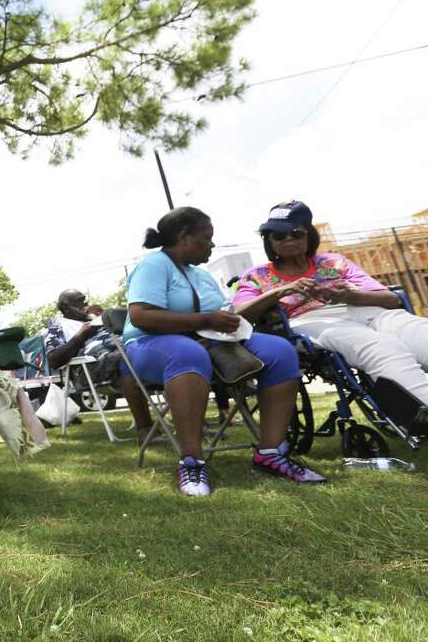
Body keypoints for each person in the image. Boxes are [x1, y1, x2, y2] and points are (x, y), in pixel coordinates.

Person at [120, 206, 326, 496]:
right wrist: (205, 320)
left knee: (280, 350)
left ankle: (269, 453)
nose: (212, 244)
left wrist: (268, 297)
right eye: (207, 238)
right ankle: (192, 461)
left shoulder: (201, 275)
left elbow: (227, 314)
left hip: (209, 340)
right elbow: (141, 316)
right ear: (185, 237)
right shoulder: (154, 265)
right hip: (149, 343)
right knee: (187, 353)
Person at [233, 200, 428, 420]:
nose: (288, 239)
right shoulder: (256, 275)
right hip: (307, 319)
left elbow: (391, 299)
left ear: (309, 236)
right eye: (278, 235)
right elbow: (239, 314)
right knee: (379, 346)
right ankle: (422, 407)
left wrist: (349, 295)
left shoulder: (334, 262)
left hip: (362, 307)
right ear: (269, 240)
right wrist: (282, 291)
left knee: (418, 330)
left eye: (296, 233)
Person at [44, 290, 155, 442]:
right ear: (66, 307)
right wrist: (82, 335)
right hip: (91, 367)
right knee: (129, 357)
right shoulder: (58, 324)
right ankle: (146, 429)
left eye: (85, 300)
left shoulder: (95, 318)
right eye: (79, 301)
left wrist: (107, 318)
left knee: (160, 346)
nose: (86, 304)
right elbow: (54, 360)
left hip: (123, 351)